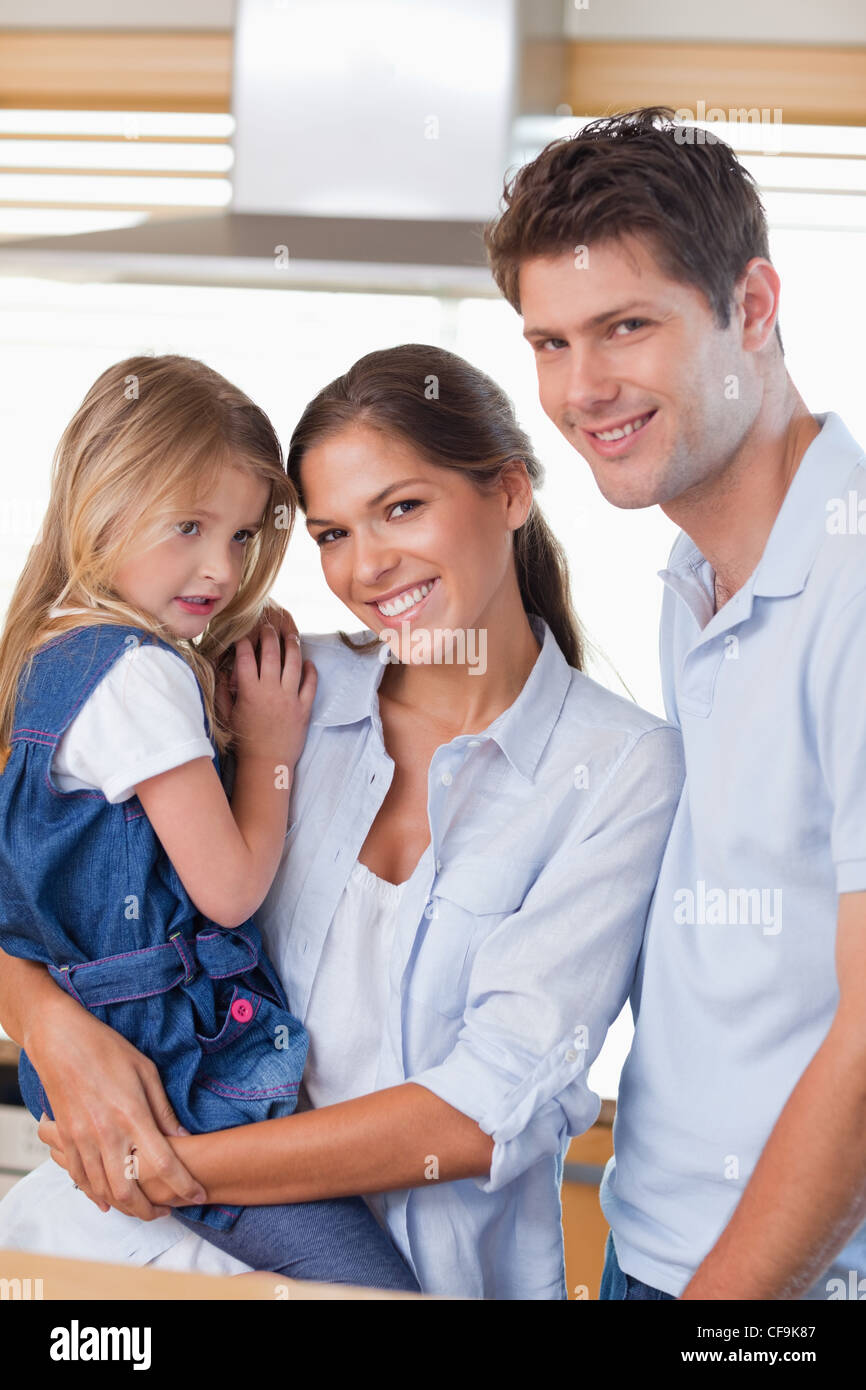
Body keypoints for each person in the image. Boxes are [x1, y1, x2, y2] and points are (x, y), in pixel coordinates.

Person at [0, 343, 684, 1299]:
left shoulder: (619, 769)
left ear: (511, 493)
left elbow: (482, 1109)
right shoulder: (272, 684)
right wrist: (48, 1026)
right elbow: (47, 871)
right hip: (124, 1260)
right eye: (328, 534)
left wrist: (169, 1165)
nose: (366, 567)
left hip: (406, 1273)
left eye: (402, 507)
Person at [482, 105, 866, 1300]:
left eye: (624, 328)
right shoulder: (694, 569)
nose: (580, 388)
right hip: (657, 1248)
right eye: (547, 341)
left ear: (751, 308)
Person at [0, 352, 420, 1292]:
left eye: (239, 536)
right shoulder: (139, 672)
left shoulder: (43, 660)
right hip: (190, 1083)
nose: (219, 568)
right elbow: (228, 888)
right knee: (374, 1291)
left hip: (111, 1078)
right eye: (188, 526)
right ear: (99, 501)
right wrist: (272, 740)